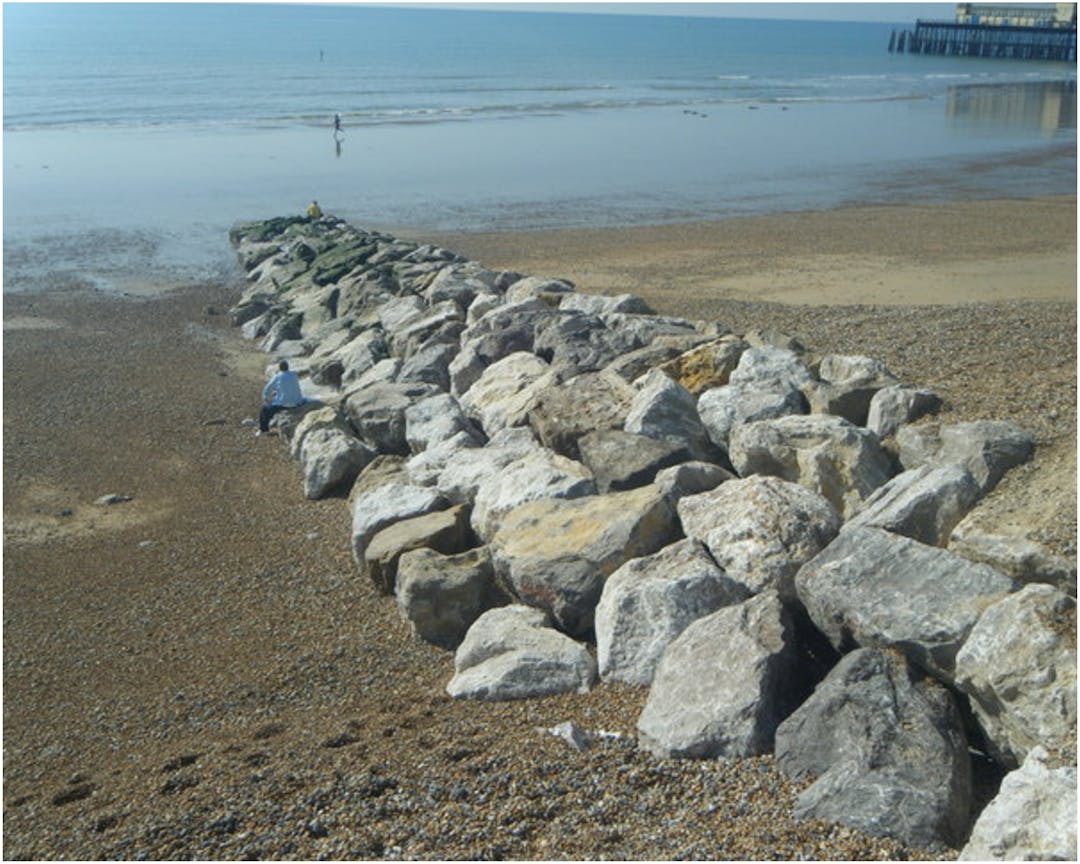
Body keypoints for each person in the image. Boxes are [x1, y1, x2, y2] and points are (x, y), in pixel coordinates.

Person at [258, 360, 304, 435]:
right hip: (297, 403)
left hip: (284, 404)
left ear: (280, 368)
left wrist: (265, 397)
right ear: (288, 368)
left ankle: (263, 430)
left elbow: (267, 389)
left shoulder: (278, 376)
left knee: (264, 409)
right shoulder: (294, 375)